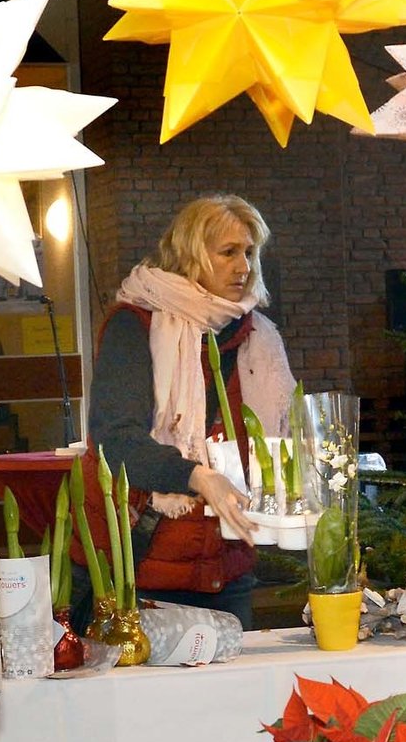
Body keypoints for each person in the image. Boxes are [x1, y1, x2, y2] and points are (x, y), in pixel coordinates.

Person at [79, 194, 298, 629]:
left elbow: (280, 437)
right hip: (141, 568)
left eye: (251, 253)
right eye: (229, 252)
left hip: (226, 565)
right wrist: (196, 476)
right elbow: (115, 438)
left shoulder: (258, 337)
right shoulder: (136, 324)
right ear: (192, 255)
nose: (244, 267)